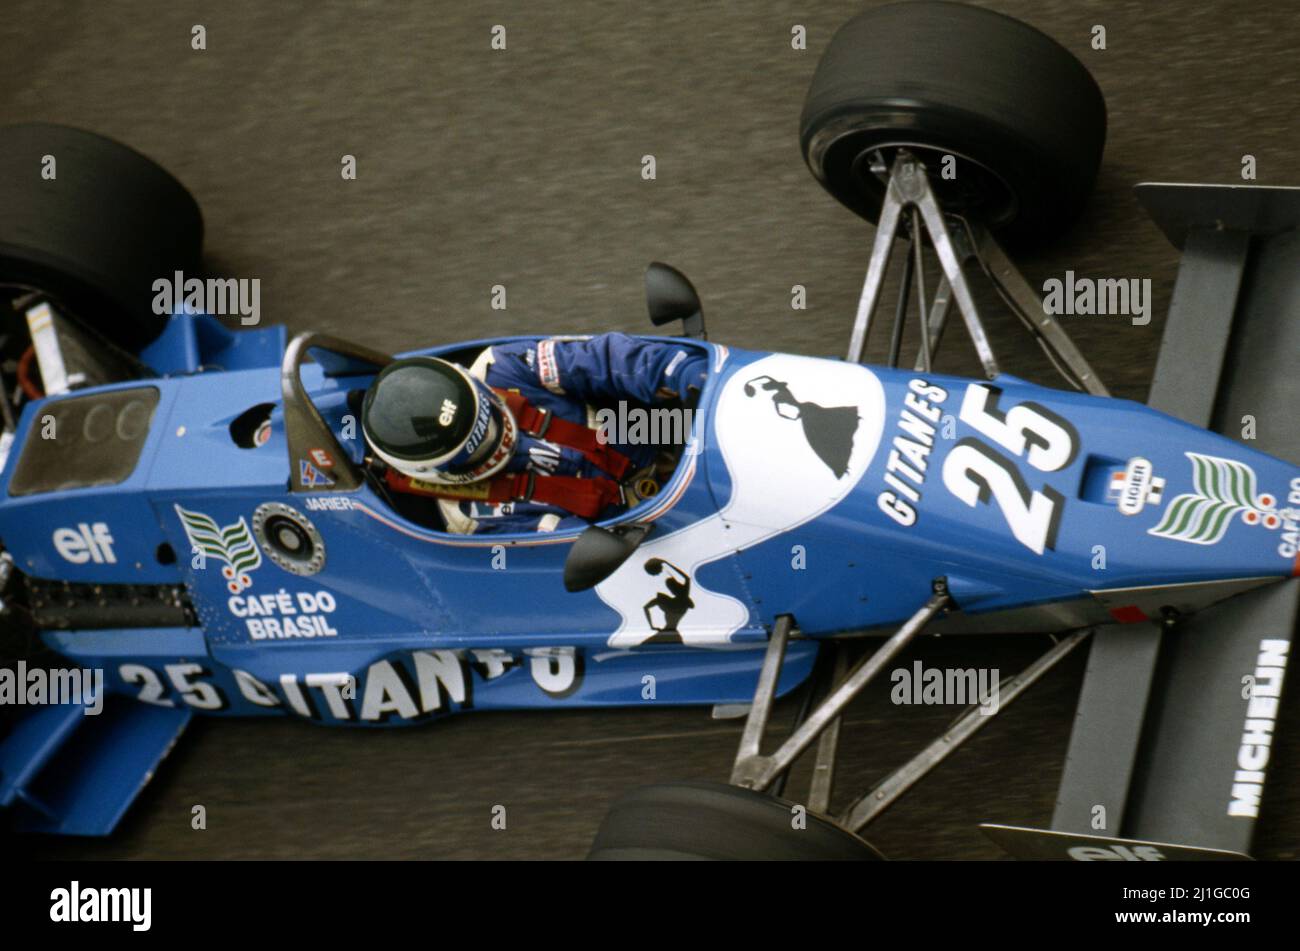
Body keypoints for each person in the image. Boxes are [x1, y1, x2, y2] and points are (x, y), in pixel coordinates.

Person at [361, 332, 707, 534]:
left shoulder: (505, 366)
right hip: (644, 527)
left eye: (489, 420)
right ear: (440, 471)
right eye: (478, 446)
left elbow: (604, 360)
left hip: (661, 437)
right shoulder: (471, 514)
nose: (496, 439)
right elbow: (571, 540)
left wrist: (683, 371)